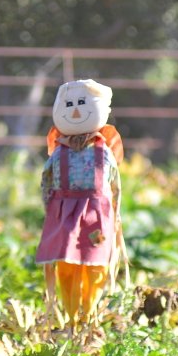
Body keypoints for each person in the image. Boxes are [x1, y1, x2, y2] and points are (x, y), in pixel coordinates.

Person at [36, 79, 123, 327]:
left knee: (95, 263)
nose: (75, 111)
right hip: (66, 213)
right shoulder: (59, 152)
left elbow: (114, 186)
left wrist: (115, 215)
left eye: (82, 103)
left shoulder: (103, 151)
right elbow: (47, 181)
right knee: (68, 263)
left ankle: (89, 314)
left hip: (95, 214)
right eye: (70, 104)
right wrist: (52, 210)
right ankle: (73, 317)